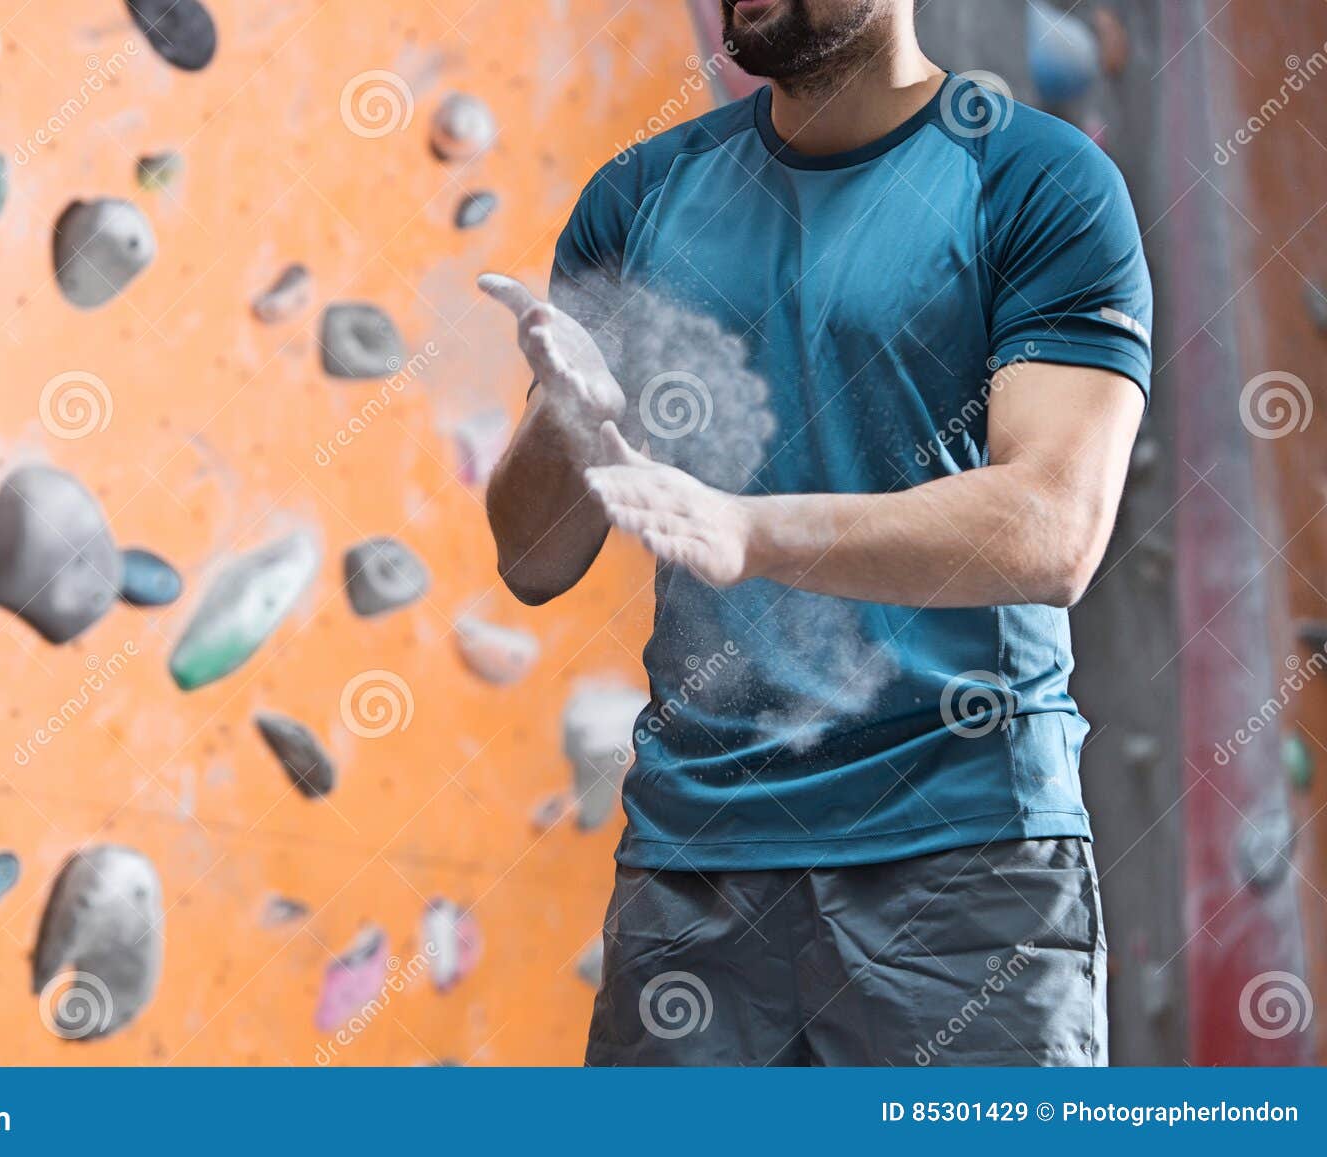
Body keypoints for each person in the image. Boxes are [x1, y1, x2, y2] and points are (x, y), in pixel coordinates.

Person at [480, 0, 1150, 1065]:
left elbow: (1050, 527)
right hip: (693, 868)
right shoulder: (640, 197)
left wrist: (753, 531)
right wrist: (569, 424)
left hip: (962, 859)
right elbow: (531, 560)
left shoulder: (1038, 183)